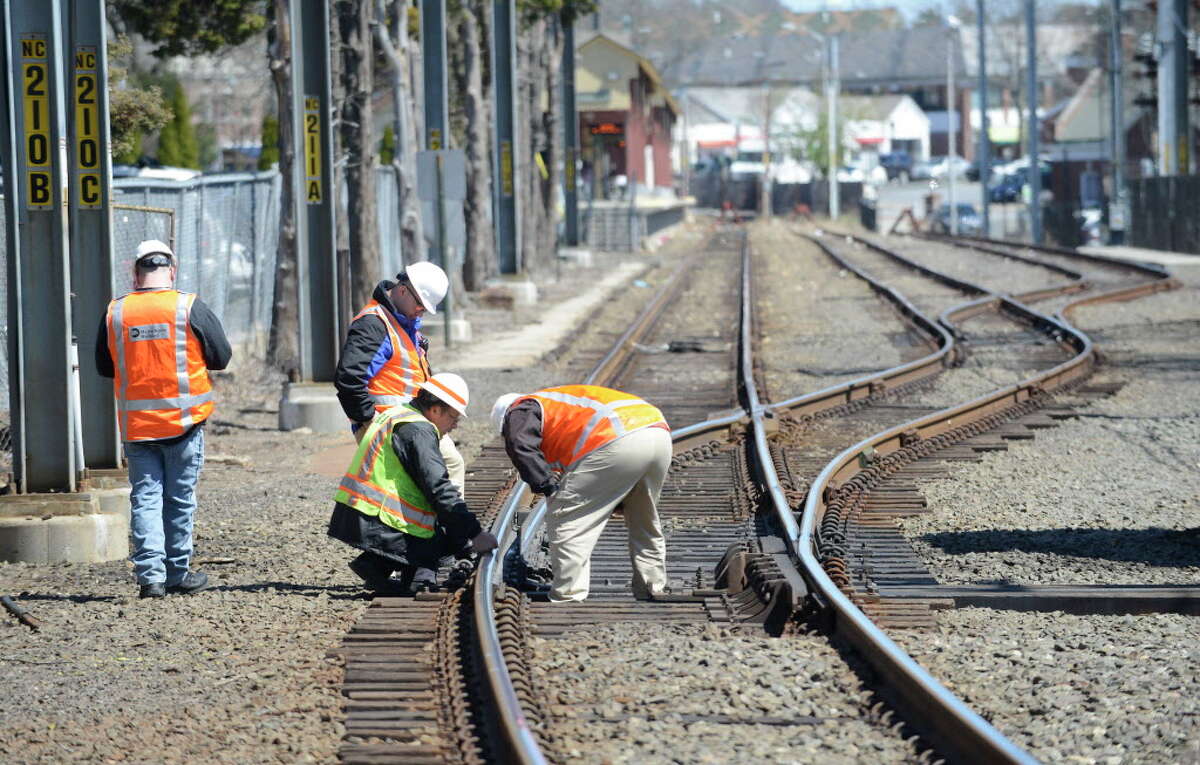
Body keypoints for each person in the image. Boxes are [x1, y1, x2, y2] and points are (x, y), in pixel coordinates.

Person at [95, 239, 232, 599]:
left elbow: (104, 366)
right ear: (172, 270)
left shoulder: (116, 312)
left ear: (135, 272)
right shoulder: (188, 306)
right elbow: (221, 357)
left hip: (138, 428)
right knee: (179, 500)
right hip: (184, 425)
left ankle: (150, 578)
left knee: (145, 499)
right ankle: (176, 573)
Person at [491, 385, 672, 603]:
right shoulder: (559, 406)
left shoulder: (520, 409)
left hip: (615, 437)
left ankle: (569, 593)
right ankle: (652, 585)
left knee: (567, 517)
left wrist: (545, 484)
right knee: (644, 518)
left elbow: (519, 444)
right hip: (658, 432)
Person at [329, 373, 497, 593]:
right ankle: (380, 567)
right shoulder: (419, 431)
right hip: (380, 520)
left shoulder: (398, 414)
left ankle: (376, 565)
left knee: (441, 534)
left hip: (361, 513)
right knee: (442, 541)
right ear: (435, 410)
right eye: (454, 417)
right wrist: (475, 534)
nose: (455, 425)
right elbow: (439, 488)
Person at [334, 262, 466, 494]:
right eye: (420, 305)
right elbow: (349, 379)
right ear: (403, 290)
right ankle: (451, 516)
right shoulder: (374, 325)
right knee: (438, 471)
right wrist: (369, 421)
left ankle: (448, 516)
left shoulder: (405, 323)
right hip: (388, 424)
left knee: (447, 466)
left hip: (413, 421)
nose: (421, 312)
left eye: (425, 309)